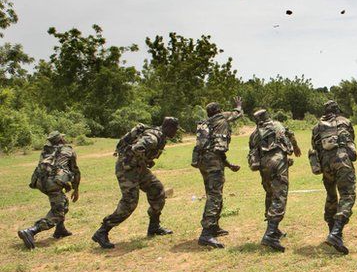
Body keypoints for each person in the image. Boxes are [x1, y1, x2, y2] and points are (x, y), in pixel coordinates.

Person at [92, 117, 179, 249]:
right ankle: (102, 231)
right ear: (169, 127)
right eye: (175, 129)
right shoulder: (153, 137)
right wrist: (146, 160)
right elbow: (137, 148)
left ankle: (154, 227)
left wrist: (144, 163)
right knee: (130, 202)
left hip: (138, 168)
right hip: (127, 169)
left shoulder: (160, 135)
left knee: (157, 189)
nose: (176, 132)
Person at [192, 97, 244, 249]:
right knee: (214, 195)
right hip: (213, 162)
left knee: (212, 192)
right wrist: (239, 105)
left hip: (203, 161)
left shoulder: (206, 123)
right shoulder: (221, 118)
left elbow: (212, 147)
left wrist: (227, 164)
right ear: (219, 111)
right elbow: (237, 114)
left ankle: (214, 226)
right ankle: (206, 234)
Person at [248, 108, 301, 251]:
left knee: (270, 194)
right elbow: (290, 135)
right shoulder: (278, 125)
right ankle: (270, 234)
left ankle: (273, 228)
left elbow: (253, 152)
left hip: (264, 166)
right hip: (278, 164)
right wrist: (295, 147)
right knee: (279, 197)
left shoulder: (254, 134)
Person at [17, 131, 81, 249]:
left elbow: (52, 167)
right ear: (61, 140)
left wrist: (62, 184)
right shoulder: (69, 150)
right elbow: (75, 171)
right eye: (63, 138)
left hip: (40, 182)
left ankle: (60, 230)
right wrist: (75, 189)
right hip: (53, 184)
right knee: (58, 212)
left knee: (63, 202)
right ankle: (31, 231)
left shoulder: (46, 150)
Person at [309, 100, 356, 254]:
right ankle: (336, 233)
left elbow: (315, 146)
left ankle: (332, 232)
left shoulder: (317, 127)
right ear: (337, 110)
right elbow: (351, 142)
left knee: (331, 197)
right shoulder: (344, 121)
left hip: (325, 165)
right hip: (341, 161)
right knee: (347, 195)